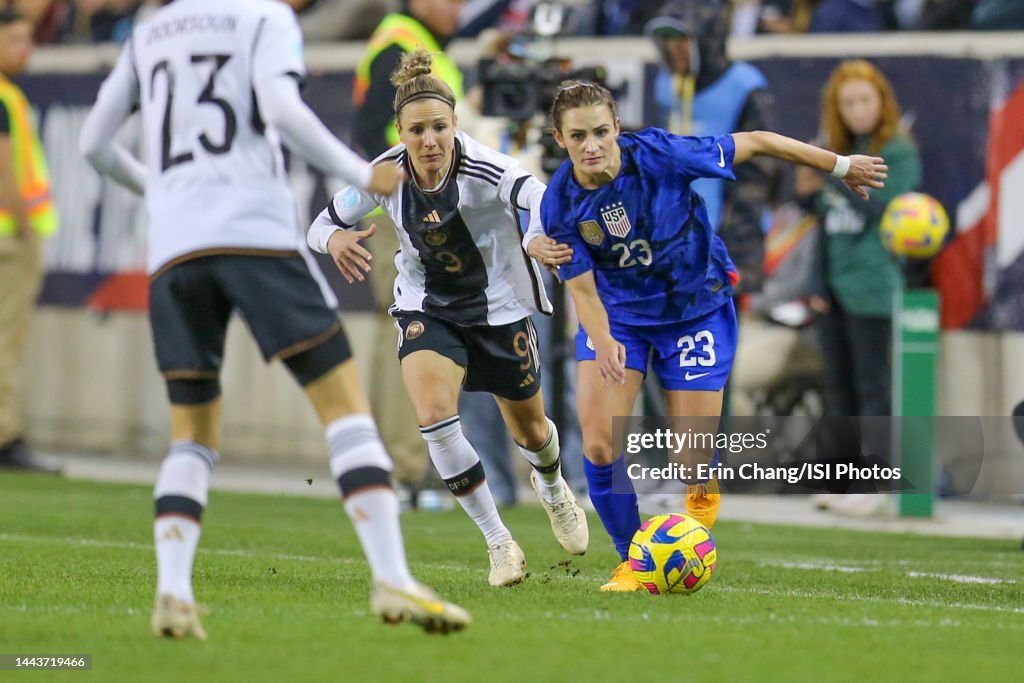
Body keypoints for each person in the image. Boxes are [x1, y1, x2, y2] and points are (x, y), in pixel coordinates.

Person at [78, 0, 469, 638]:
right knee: (344, 406)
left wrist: (166, 194)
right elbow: (282, 112)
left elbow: (93, 144)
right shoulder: (262, 19)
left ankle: (173, 592)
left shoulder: (149, 32)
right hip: (254, 236)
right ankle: (393, 576)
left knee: (193, 432)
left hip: (177, 248)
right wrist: (357, 171)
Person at [526, 79, 886, 590]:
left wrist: (841, 166)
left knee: (689, 456)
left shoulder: (661, 153)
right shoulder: (561, 204)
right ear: (560, 139)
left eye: (601, 132)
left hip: (695, 309)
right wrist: (604, 342)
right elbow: (582, 291)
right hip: (621, 319)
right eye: (578, 136)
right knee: (602, 444)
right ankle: (635, 560)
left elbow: (759, 140)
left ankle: (697, 501)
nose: (592, 146)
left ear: (617, 128)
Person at [307, 49, 589, 587]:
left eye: (439, 127)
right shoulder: (384, 175)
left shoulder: (486, 166)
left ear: (456, 124)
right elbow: (318, 225)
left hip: (498, 310)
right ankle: (499, 542)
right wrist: (336, 237)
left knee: (530, 431)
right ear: (400, 131)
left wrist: (534, 235)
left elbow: (540, 195)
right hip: (427, 307)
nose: (429, 141)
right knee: (435, 416)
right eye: (417, 130)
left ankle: (552, 487)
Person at [350, 0, 466, 500]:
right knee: (408, 331)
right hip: (402, 218)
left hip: (412, 216)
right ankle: (401, 468)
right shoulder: (400, 47)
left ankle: (402, 464)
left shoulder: (415, 42)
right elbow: (369, 132)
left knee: (411, 331)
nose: (461, 8)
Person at [795, 59, 921, 419]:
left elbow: (884, 212)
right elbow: (821, 217)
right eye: (847, 103)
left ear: (882, 101)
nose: (857, 110)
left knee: (873, 391)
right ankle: (843, 474)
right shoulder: (835, 150)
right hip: (832, 287)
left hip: (871, 286)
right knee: (836, 393)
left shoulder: (897, 149)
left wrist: (835, 170)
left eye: (865, 100)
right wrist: (807, 177)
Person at [0, 8, 61, 474]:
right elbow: (5, 170)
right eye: (16, 40)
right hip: (8, 242)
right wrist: (22, 227)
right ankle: (4, 436)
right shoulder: (4, 99)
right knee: (6, 341)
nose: (27, 49)